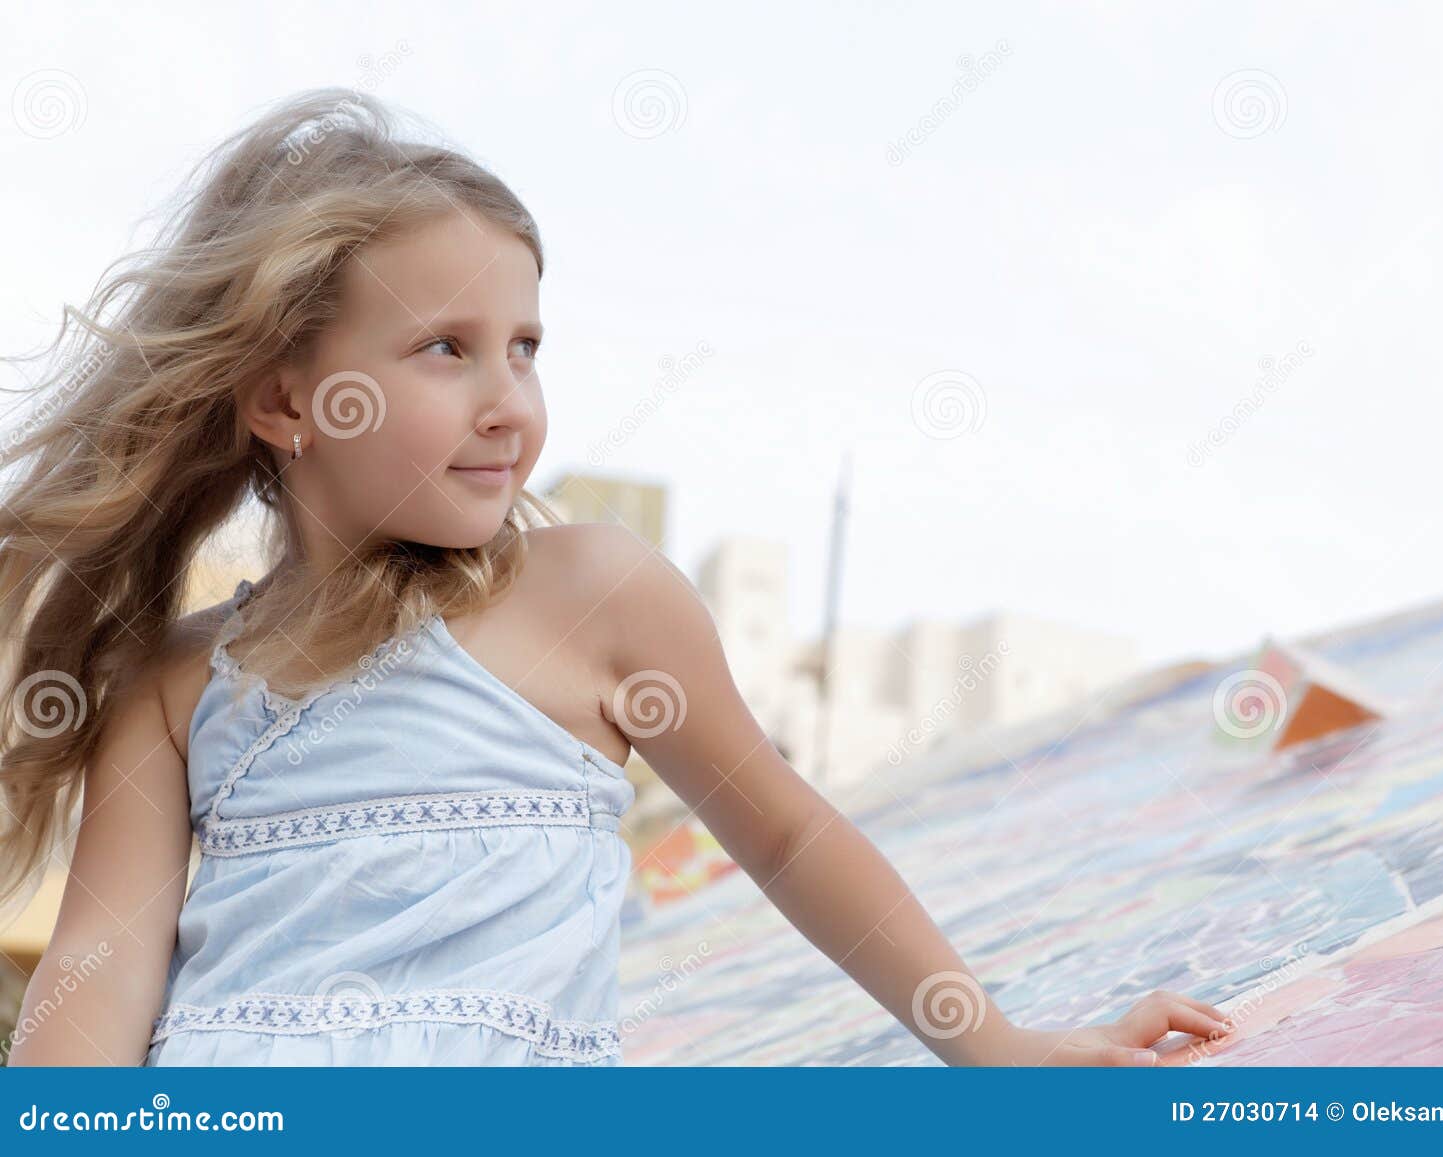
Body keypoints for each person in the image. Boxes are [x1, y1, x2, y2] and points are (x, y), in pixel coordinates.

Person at [0, 87, 1232, 1066]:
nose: (508, 403)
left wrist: (994, 1046)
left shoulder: (595, 594)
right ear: (284, 399)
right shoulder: (175, 683)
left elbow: (789, 833)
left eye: (525, 349)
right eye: (447, 349)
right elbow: (94, 981)